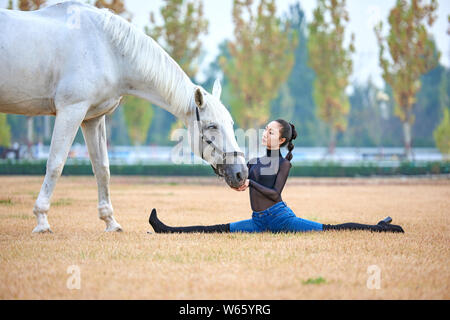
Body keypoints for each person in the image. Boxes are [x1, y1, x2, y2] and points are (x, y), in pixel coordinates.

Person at [149, 119, 404, 234]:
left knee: (331, 229)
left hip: (282, 219)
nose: (264, 133)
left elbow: (275, 194)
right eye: (265, 130)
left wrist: (251, 183)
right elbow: (237, 176)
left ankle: (380, 228)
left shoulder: (283, 164)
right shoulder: (254, 161)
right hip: (258, 222)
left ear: (281, 140)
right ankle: (165, 230)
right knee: (217, 229)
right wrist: (232, 178)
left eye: (270, 132)